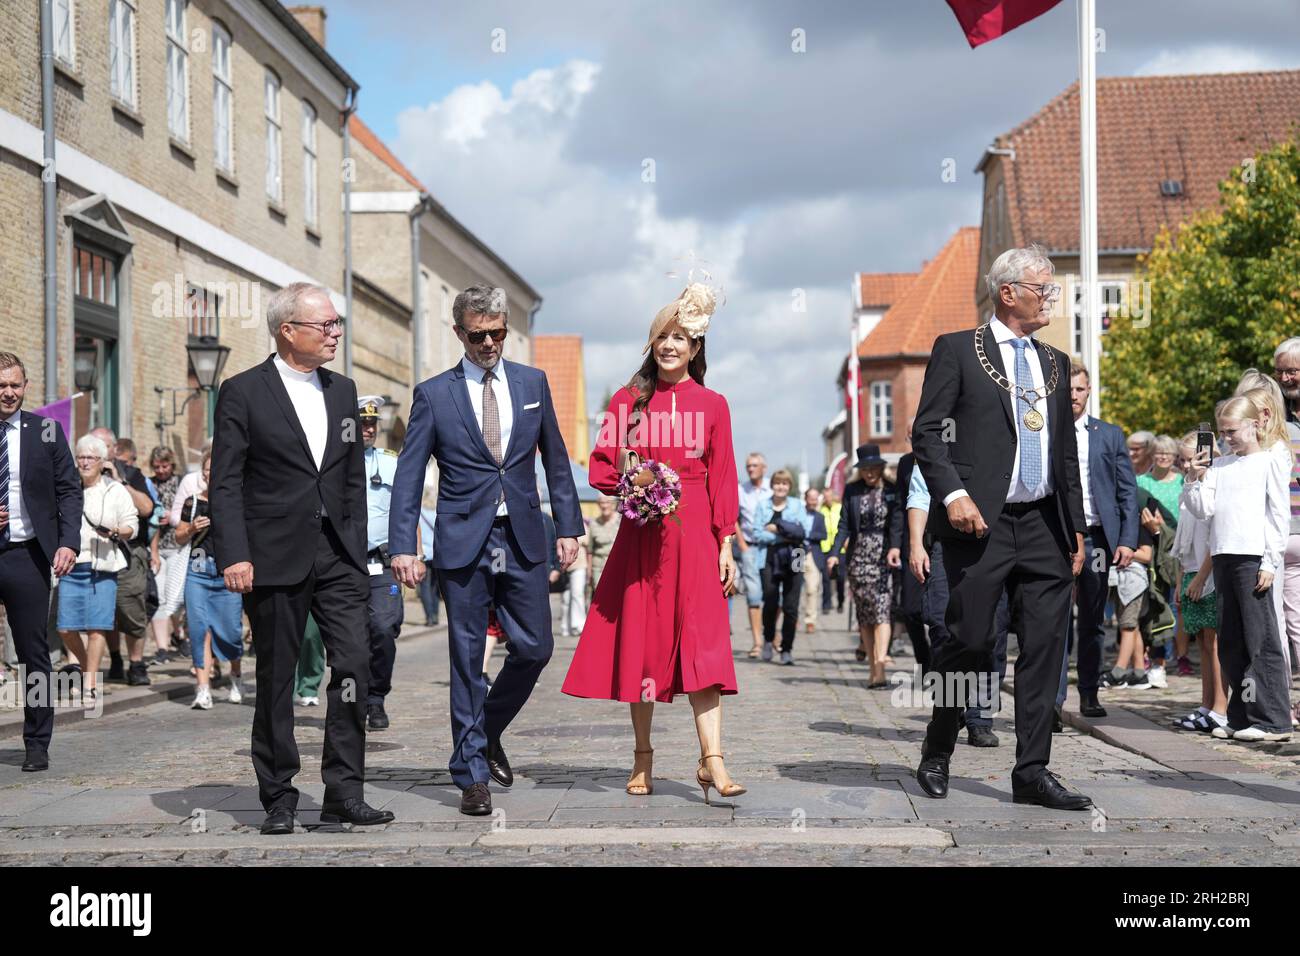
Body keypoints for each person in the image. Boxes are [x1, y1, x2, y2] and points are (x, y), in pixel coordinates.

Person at [389, 284, 583, 817]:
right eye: (479, 335)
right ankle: (472, 775)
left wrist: (568, 526)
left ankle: (486, 729)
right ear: (460, 333)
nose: (491, 343)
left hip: (522, 537)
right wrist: (404, 543)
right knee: (467, 657)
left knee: (536, 648)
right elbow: (409, 476)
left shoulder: (532, 383)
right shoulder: (434, 394)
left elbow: (557, 460)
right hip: (462, 541)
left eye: (498, 333)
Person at [211, 281, 394, 835]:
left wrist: (359, 547)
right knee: (277, 677)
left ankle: (344, 791)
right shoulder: (243, 391)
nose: (336, 333)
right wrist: (235, 554)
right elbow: (226, 483)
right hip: (272, 556)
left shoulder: (343, 391)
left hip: (338, 554)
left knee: (354, 666)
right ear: (288, 331)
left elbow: (351, 478)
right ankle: (279, 795)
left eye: (338, 324)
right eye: (326, 325)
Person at [911, 245, 1090, 810]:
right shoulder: (959, 350)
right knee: (968, 640)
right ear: (1007, 292)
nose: (1051, 301)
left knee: (1043, 648)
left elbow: (1065, 454)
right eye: (1044, 290)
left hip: (1044, 524)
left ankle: (1032, 772)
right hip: (977, 523)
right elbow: (927, 433)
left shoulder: (1057, 363)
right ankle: (940, 743)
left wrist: (1076, 527)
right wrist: (955, 494)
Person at [562, 282, 745, 805]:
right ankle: (642, 757)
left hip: (697, 537)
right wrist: (633, 478)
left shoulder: (713, 404)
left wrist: (726, 543)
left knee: (705, 645)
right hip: (642, 540)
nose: (670, 345)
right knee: (642, 646)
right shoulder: (627, 403)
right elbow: (600, 464)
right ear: (651, 344)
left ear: (695, 348)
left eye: (680, 337)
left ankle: (714, 760)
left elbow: (723, 476)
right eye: (662, 336)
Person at [1184, 395, 1292, 742]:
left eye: (1232, 431)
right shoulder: (1221, 466)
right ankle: (1241, 715)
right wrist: (1193, 478)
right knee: (1231, 642)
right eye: (1222, 432)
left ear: (1254, 425)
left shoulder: (1268, 462)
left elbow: (1279, 515)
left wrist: (1270, 562)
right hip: (1224, 556)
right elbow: (1203, 509)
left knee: (1260, 639)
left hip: (1252, 557)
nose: (1226, 437)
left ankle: (1273, 719)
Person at [0, 352, 81, 772]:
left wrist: (68, 542)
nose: (9, 393)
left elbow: (69, 489)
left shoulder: (47, 430)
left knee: (34, 653)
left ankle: (36, 742)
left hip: (27, 555)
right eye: (1, 386)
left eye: (15, 384)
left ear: (26, 385)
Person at [906, 454, 1009, 747]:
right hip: (944, 543)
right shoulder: (937, 436)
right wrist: (916, 545)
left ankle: (980, 717)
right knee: (941, 625)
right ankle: (949, 709)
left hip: (992, 543)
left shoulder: (998, 430)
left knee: (992, 631)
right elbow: (919, 493)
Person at [1056, 361, 1137, 719]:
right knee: (1054, 623)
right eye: (1068, 389)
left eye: (1079, 389)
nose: (1073, 395)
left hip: (1099, 540)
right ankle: (1052, 702)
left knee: (1091, 620)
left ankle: (1089, 692)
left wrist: (1127, 540)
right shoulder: (1048, 432)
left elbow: (1127, 493)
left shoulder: (1109, 435)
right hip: (1057, 538)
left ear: (1089, 391)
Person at [59, 434, 138, 707]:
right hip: (70, 565)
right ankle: (84, 665)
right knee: (66, 627)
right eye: (80, 457)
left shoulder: (114, 490)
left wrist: (117, 530)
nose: (84, 462)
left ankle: (90, 682)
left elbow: (132, 524)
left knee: (96, 628)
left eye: (90, 457)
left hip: (102, 566)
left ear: (102, 462)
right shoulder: (66, 488)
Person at [176, 450, 244, 709]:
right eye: (207, 469)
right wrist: (191, 528)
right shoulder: (192, 502)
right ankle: (202, 689)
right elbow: (179, 536)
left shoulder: (236, 501)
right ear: (202, 473)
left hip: (227, 572)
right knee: (198, 629)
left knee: (231, 631)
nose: (210, 473)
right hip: (198, 572)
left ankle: (236, 677)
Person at [1170, 431, 1228, 733]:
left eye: (1193, 458)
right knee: (1203, 642)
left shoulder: (1214, 482)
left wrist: (1203, 576)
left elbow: (1213, 537)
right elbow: (1184, 541)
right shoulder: (1188, 485)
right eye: (1184, 459)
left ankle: (1221, 706)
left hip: (1210, 572)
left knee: (1215, 642)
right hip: (1192, 570)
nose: (1187, 464)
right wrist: (1182, 580)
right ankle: (1206, 704)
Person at [828, 444, 898, 687]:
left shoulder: (891, 489)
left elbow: (898, 521)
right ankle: (872, 667)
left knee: (882, 609)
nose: (869, 472)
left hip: (884, 555)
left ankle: (880, 664)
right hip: (858, 558)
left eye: (873, 468)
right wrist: (835, 553)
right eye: (865, 469)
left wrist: (896, 547)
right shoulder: (852, 491)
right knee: (865, 616)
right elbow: (844, 525)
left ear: (880, 467)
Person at [89, 429, 153, 686]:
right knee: (106, 610)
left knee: (130, 607)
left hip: (127, 552)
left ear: (114, 450)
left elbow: (147, 509)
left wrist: (120, 482)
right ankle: (115, 659)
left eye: (104, 446)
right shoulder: (81, 477)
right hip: (95, 553)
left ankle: (136, 663)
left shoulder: (131, 474)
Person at [356, 396, 404, 732]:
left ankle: (375, 697)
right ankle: (348, 698)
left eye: (372, 423)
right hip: (343, 564)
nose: (368, 428)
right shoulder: (332, 465)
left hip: (381, 562)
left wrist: (411, 554)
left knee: (383, 629)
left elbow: (406, 512)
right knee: (347, 636)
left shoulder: (390, 463)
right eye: (362, 423)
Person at [752, 469, 812, 664]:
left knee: (791, 605)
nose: (781, 487)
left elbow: (803, 531)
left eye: (785, 483)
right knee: (770, 601)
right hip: (768, 556)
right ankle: (768, 640)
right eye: (778, 483)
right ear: (773, 485)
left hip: (795, 555)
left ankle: (787, 648)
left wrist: (776, 528)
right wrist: (785, 533)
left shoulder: (797, 505)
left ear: (790, 486)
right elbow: (757, 534)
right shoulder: (763, 505)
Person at [891, 429, 932, 677]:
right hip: (911, 543)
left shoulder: (946, 454)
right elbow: (898, 506)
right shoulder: (905, 463)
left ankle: (941, 665)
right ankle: (924, 660)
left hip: (939, 541)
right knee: (910, 610)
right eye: (910, 436)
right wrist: (896, 545)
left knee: (939, 613)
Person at [147, 447, 183, 663]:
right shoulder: (149, 484)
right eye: (157, 467)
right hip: (157, 547)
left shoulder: (180, 483)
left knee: (177, 597)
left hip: (178, 545)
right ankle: (162, 647)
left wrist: (173, 516)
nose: (161, 470)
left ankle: (179, 634)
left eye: (165, 466)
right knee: (158, 596)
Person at [735, 453, 771, 658]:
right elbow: (733, 518)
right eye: (748, 466)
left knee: (774, 593)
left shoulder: (772, 488)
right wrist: (741, 543)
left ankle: (771, 636)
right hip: (749, 546)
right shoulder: (741, 491)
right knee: (753, 593)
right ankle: (757, 641)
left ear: (764, 468)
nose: (751, 469)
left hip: (770, 547)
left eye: (755, 465)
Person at [799, 488, 827, 634]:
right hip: (798, 553)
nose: (813, 501)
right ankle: (794, 617)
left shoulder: (820, 517)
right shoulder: (798, 514)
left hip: (813, 554)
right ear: (806, 499)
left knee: (812, 589)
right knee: (795, 588)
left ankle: (810, 620)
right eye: (811, 498)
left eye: (815, 499)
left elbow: (824, 535)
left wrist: (809, 534)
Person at [587, 494, 620, 595]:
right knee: (601, 595)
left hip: (618, 566)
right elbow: (590, 551)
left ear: (614, 504)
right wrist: (589, 572)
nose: (604, 506)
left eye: (607, 502)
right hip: (599, 567)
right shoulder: (594, 524)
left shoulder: (622, 521)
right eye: (601, 502)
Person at [416, 504, 440, 626]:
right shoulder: (437, 510)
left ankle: (429, 617)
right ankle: (436, 615)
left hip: (423, 554)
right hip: (437, 552)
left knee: (424, 587)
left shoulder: (419, 512)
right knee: (435, 586)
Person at [819, 489, 842, 613]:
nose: (827, 499)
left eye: (829, 496)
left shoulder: (840, 508)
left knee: (840, 577)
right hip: (825, 547)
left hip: (840, 548)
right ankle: (826, 605)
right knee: (826, 579)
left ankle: (840, 601)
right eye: (825, 496)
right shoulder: (821, 510)